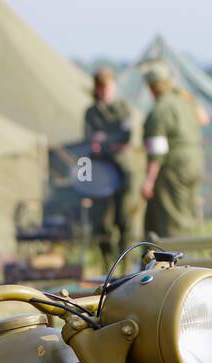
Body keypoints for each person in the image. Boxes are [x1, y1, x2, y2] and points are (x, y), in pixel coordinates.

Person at [83, 67, 143, 269]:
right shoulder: (92, 112)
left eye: (107, 87)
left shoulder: (123, 108)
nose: (105, 92)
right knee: (103, 224)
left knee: (125, 221)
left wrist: (106, 140)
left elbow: (126, 136)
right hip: (102, 173)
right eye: (101, 88)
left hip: (124, 171)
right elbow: (90, 140)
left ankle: (126, 266)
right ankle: (108, 266)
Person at [140, 61, 204, 239]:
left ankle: (180, 263)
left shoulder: (160, 110)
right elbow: (204, 119)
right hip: (195, 163)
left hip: (174, 168)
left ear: (152, 87)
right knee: (188, 216)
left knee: (173, 221)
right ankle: (193, 259)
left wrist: (149, 181)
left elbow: (157, 151)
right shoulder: (185, 102)